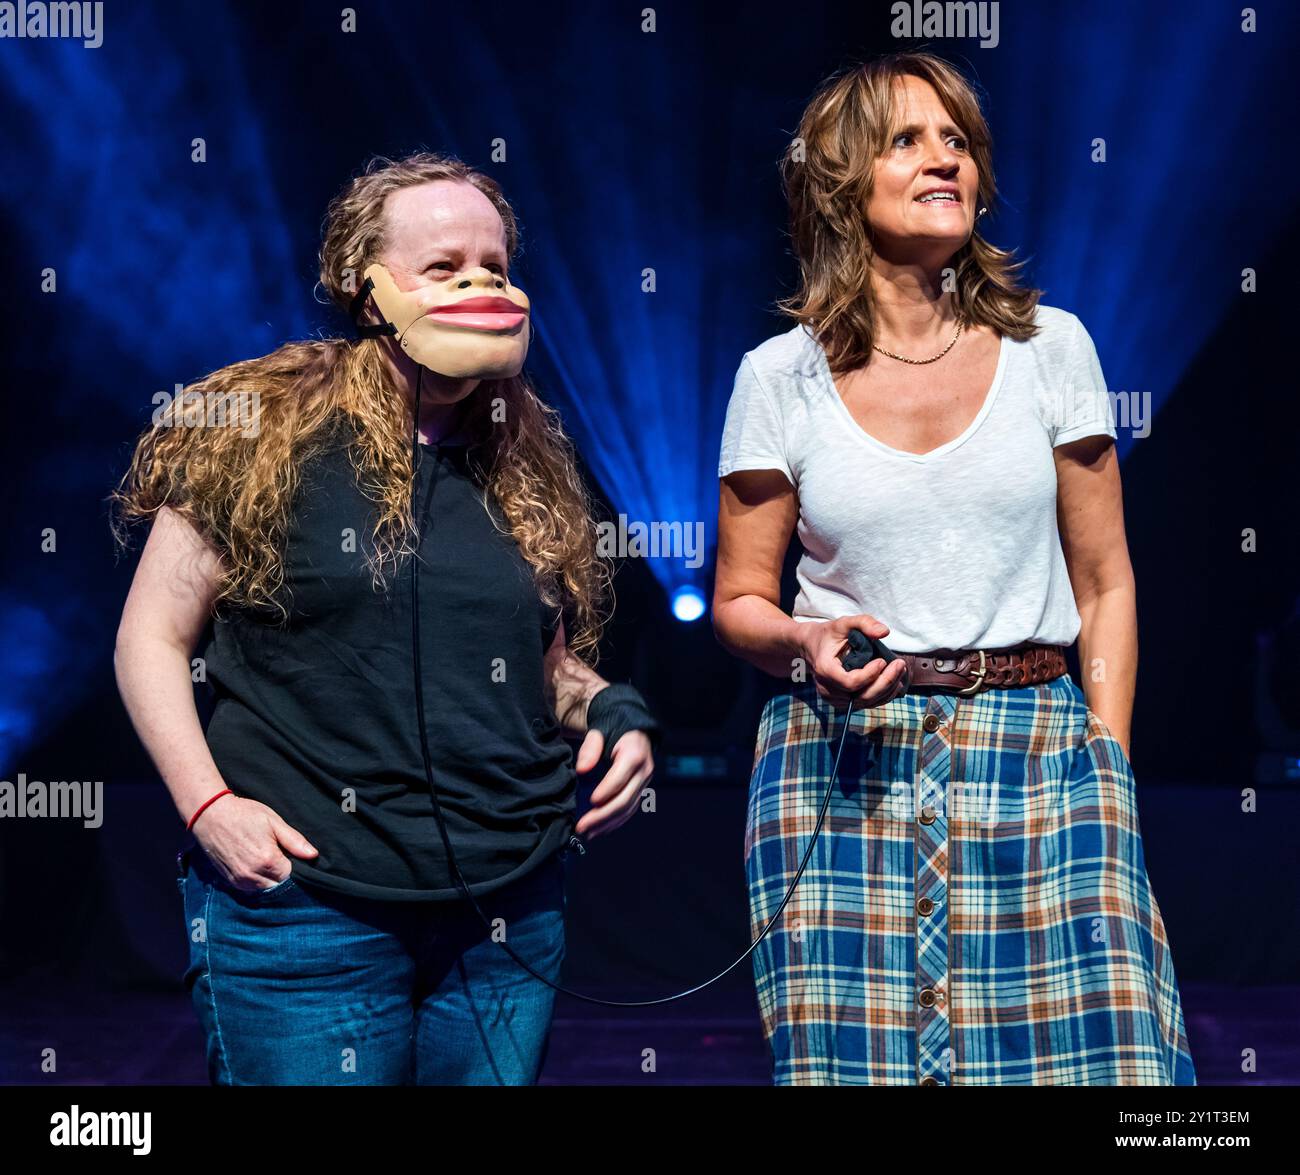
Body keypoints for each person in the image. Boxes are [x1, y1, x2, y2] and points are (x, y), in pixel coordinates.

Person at [111, 151, 659, 1085]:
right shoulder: (254, 431)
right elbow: (150, 638)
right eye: (443, 267)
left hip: (506, 914)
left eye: (495, 265)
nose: (480, 284)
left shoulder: (526, 457)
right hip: (308, 909)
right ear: (368, 292)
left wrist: (612, 709)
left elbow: (543, 665)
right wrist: (210, 809)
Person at [712, 53, 1195, 1085]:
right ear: (842, 183)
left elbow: (1106, 579)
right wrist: (800, 640)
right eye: (907, 140)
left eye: (958, 141)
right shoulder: (777, 377)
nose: (945, 161)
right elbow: (740, 601)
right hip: (844, 766)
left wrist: (1103, 762)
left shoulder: (1050, 348)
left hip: (1040, 755)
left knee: (1102, 1061)